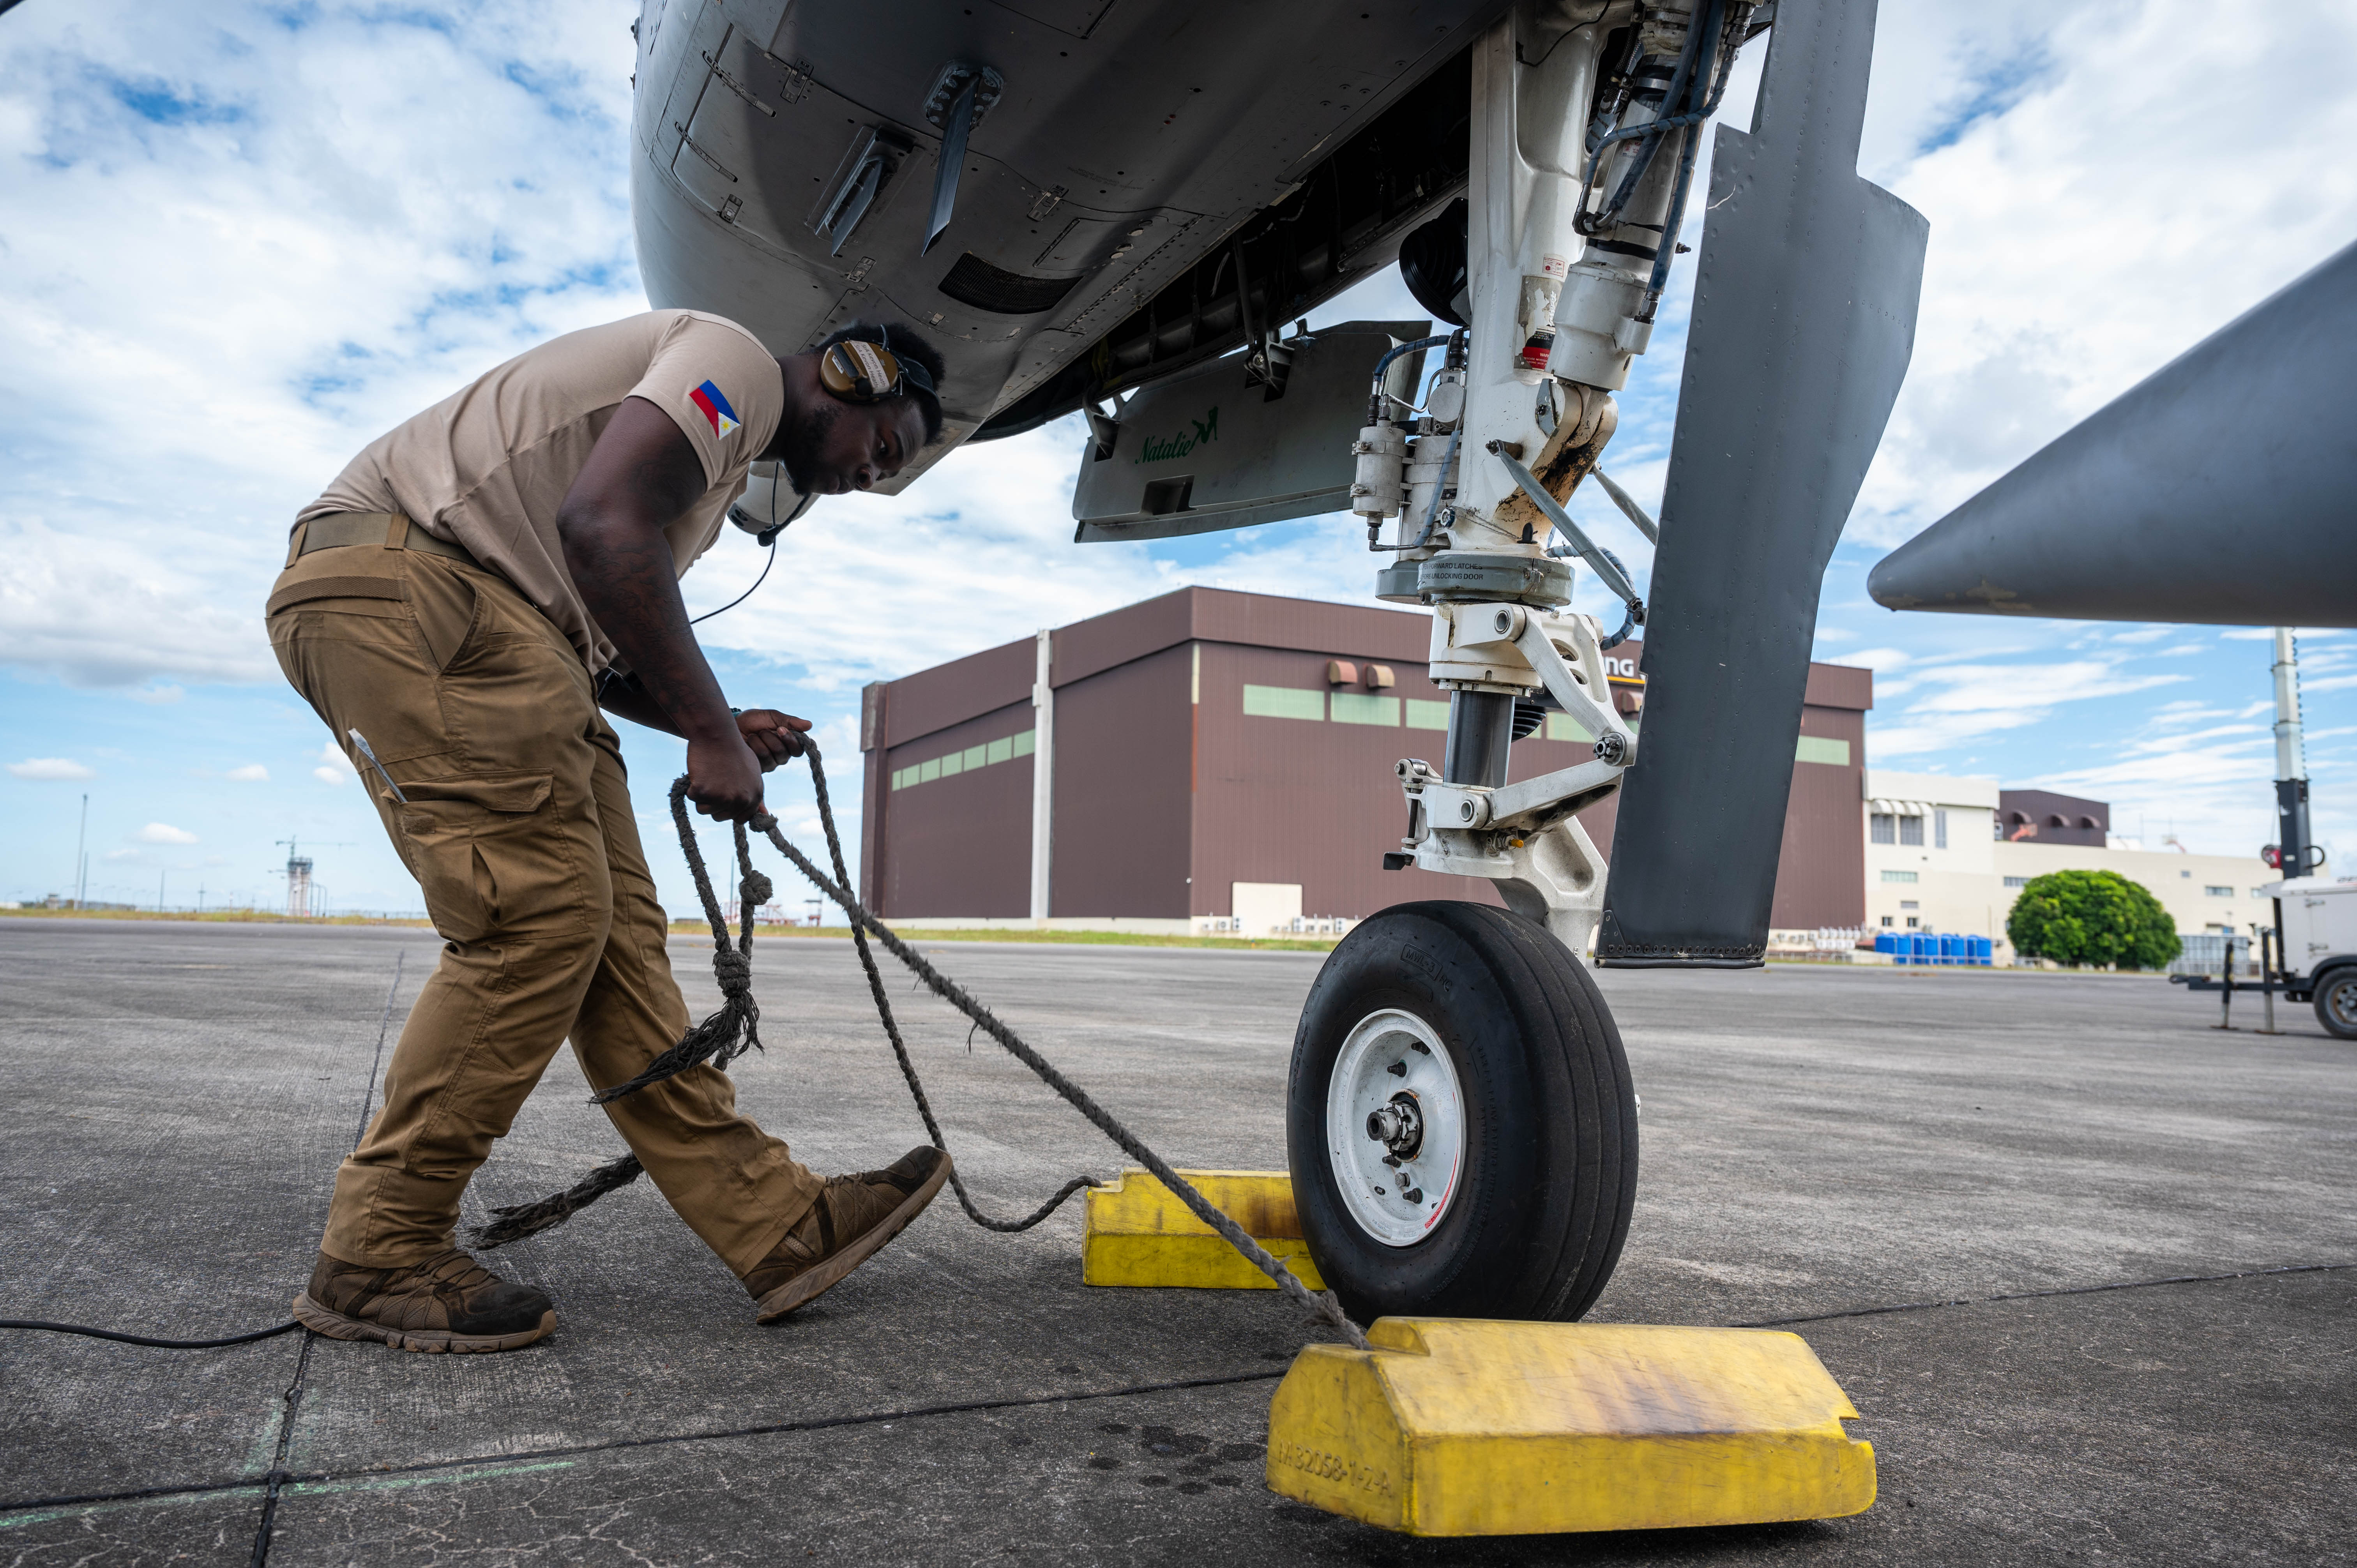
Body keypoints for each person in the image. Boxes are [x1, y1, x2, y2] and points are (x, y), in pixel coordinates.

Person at [266, 311, 954, 1352]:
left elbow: (596, 604)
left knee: (620, 944)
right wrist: (711, 731)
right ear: (849, 371)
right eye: (885, 447)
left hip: (514, 633)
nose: (870, 476)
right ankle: (380, 1249)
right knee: (536, 922)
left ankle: (776, 1224)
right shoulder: (732, 364)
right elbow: (605, 530)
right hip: (423, 590)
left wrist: (708, 722)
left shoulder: (716, 460)